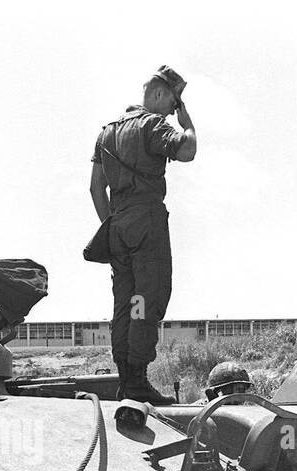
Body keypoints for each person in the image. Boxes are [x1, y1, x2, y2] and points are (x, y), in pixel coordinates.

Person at [90, 67, 198, 406]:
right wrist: (189, 125)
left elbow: (95, 188)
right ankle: (137, 380)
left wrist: (113, 224)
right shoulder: (152, 125)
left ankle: (126, 378)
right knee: (145, 298)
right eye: (173, 102)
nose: (172, 110)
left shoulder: (106, 133)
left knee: (125, 303)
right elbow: (187, 151)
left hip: (118, 226)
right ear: (157, 94)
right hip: (146, 222)